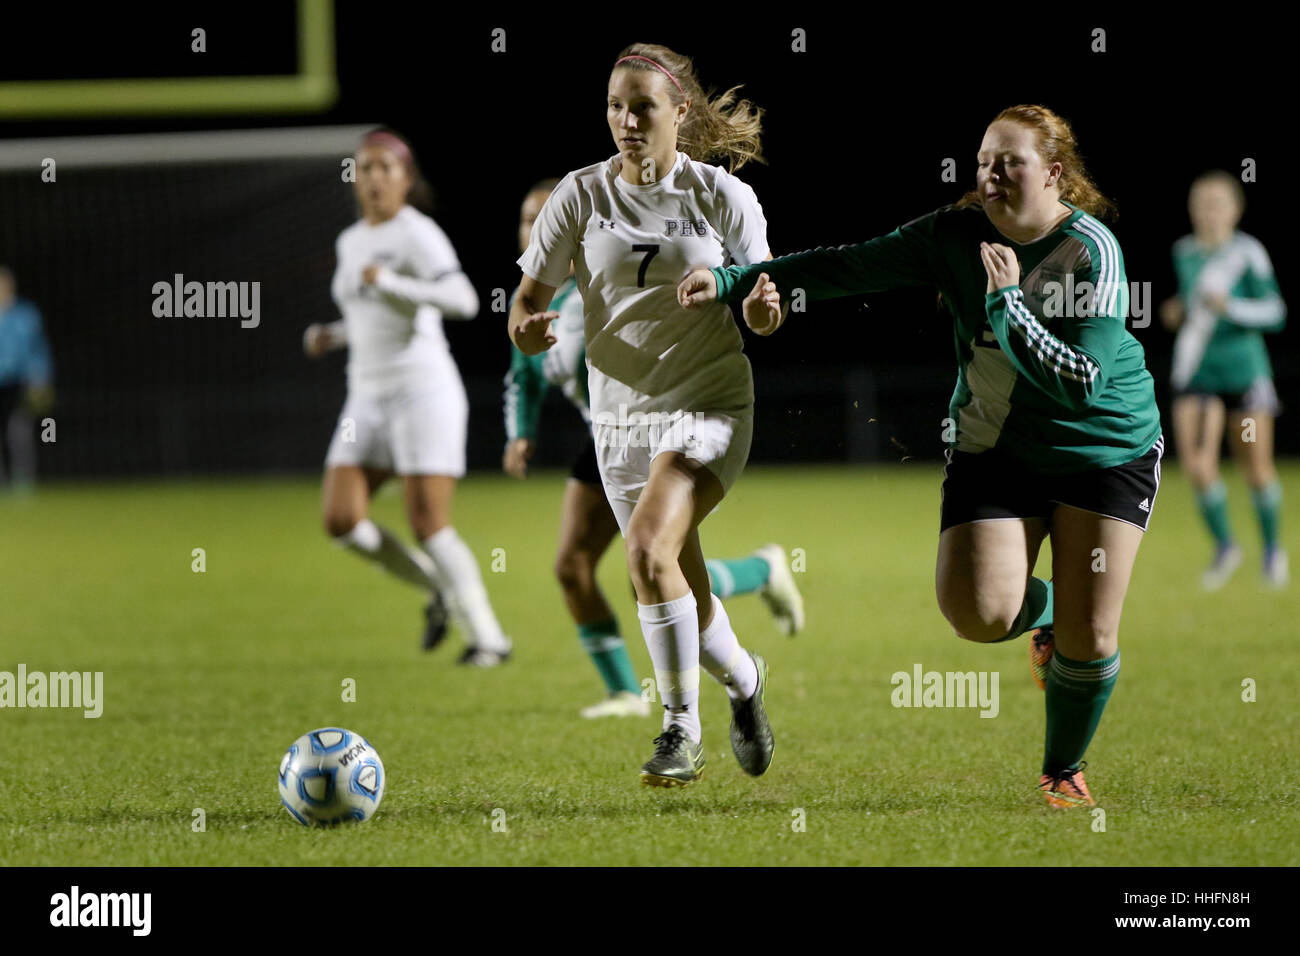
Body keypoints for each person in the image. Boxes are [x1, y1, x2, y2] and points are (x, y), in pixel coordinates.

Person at [680, 105, 1162, 809]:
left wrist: (1006, 304)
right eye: (984, 161)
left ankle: (1062, 767)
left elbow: (1080, 382)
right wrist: (733, 281)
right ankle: (1054, 613)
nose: (991, 175)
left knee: (1093, 637)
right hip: (995, 448)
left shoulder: (1090, 252)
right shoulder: (954, 235)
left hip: (1102, 448)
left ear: (1054, 173)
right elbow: (848, 264)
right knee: (979, 613)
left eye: (1010, 162)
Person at [510, 44, 779, 786]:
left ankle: (677, 729)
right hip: (620, 420)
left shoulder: (721, 194)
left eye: (643, 107)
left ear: (680, 112)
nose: (626, 121)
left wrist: (756, 302)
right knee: (671, 580)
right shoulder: (580, 195)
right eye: (615, 107)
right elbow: (526, 300)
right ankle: (747, 682)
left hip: (709, 403)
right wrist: (527, 325)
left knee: (646, 552)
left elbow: (762, 305)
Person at [505, 179, 805, 719]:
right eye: (528, 221)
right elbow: (523, 367)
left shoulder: (606, 286)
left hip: (679, 420)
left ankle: (675, 722)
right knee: (600, 566)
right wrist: (519, 431)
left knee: (647, 558)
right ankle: (719, 670)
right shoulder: (560, 298)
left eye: (541, 219)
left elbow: (755, 294)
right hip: (610, 435)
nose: (536, 230)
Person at [304, 128, 512, 666]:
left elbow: (464, 299)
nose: (372, 177)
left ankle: (489, 636)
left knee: (428, 523)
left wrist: (396, 282)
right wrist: (335, 333)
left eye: (384, 168)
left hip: (422, 391)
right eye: (364, 168)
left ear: (405, 179)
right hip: (365, 396)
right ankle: (434, 591)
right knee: (341, 521)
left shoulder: (418, 233)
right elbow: (368, 316)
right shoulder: (350, 241)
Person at [1160, 171, 1287, 589]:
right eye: (1201, 204)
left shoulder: (1247, 253)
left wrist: (1231, 307)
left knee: (1256, 468)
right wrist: (1176, 312)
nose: (1208, 213)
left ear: (1235, 210)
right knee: (1197, 466)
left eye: (1217, 204)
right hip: (1198, 375)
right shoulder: (1184, 252)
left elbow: (1274, 311)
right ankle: (1226, 548)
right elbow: (1191, 309)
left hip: (1244, 379)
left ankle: (1271, 552)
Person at [0, 266, 54, 492]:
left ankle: (24, 484)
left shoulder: (26, 315)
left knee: (19, 432)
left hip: (19, 384)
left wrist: (40, 379)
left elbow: (38, 350)